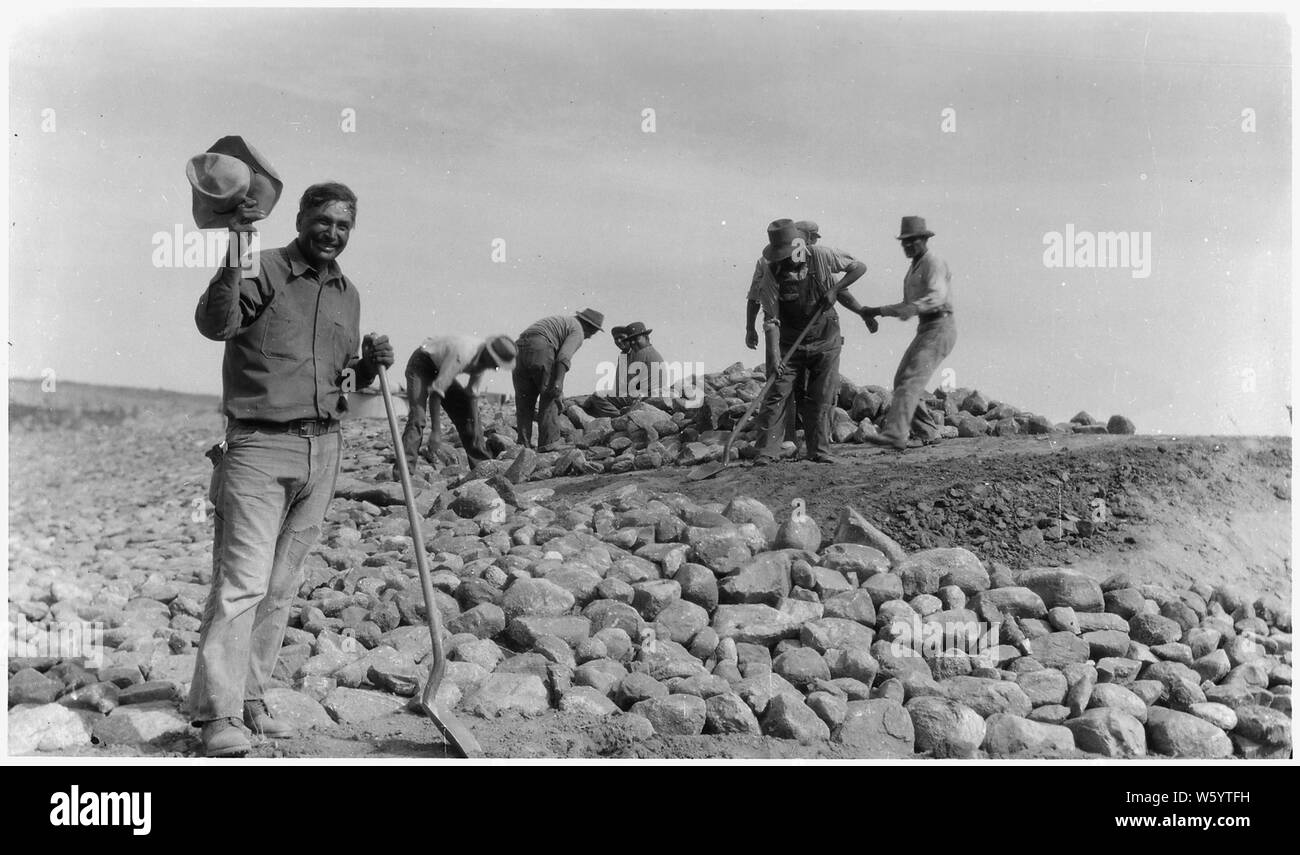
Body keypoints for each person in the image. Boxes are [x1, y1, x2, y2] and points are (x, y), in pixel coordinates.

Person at [190, 180, 394, 757]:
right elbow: (216, 324)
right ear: (302, 218)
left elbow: (339, 382)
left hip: (323, 449)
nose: (332, 233)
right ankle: (215, 715)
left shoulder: (347, 294)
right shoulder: (265, 267)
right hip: (259, 446)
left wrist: (368, 367)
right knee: (242, 584)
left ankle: (251, 699)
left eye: (344, 225)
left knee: (280, 587)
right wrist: (235, 255)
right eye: (324, 221)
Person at [746, 218, 875, 465]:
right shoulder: (771, 271)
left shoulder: (822, 256)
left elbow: (859, 267)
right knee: (777, 392)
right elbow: (771, 319)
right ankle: (766, 452)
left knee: (821, 395)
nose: (785, 258)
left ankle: (819, 451)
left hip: (825, 338)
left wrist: (835, 289)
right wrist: (774, 356)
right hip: (789, 341)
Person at [861, 216, 957, 450]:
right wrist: (876, 311)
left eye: (913, 241)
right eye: (904, 241)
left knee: (911, 380)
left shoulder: (933, 262)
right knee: (902, 380)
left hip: (941, 325)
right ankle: (927, 431)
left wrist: (914, 308)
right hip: (926, 326)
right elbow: (906, 305)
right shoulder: (913, 269)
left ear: (924, 239)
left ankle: (895, 434)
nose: (908, 245)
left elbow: (938, 296)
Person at [396, 334, 517, 479]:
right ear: (489, 355)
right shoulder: (463, 354)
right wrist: (436, 433)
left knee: (469, 414)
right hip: (422, 363)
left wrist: (472, 423)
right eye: (495, 363)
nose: (494, 368)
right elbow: (436, 394)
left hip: (440, 368)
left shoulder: (483, 361)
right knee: (418, 418)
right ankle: (402, 475)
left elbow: (471, 395)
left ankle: (482, 469)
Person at [513, 308, 603, 450]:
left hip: (519, 348)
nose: (590, 337)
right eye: (593, 332)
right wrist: (558, 382)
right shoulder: (578, 330)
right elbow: (563, 357)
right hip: (540, 346)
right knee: (550, 397)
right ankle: (549, 445)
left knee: (523, 400)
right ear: (588, 326)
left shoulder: (563, 322)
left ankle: (522, 446)